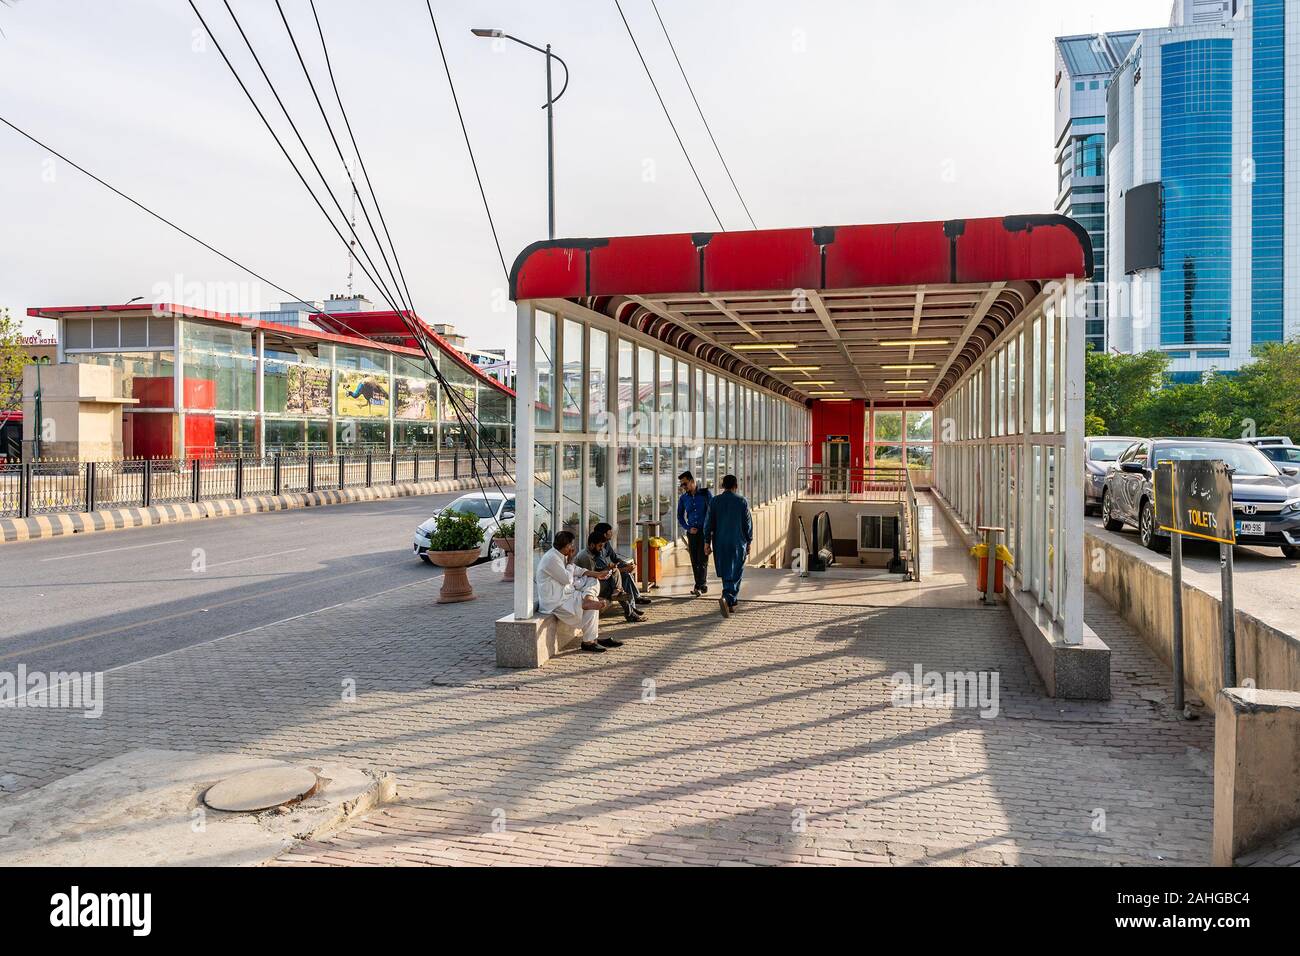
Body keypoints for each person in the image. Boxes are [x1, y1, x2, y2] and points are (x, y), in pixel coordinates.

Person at [535, 530, 623, 653]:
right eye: (571, 545)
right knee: (593, 604)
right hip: (556, 600)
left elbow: (575, 569)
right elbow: (567, 578)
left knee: (593, 581)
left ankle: (588, 601)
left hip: (565, 593)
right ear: (566, 546)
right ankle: (589, 641)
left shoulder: (560, 555)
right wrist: (571, 561)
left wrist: (597, 574)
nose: (573, 548)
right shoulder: (551, 558)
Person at [703, 473, 752, 618]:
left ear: (723, 486)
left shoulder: (714, 501)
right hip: (738, 542)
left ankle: (730, 601)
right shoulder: (742, 502)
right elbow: (747, 524)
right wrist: (749, 541)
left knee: (726, 572)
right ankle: (728, 599)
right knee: (736, 572)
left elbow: (708, 524)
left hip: (720, 543)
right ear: (736, 486)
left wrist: (707, 542)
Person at [575, 527, 647, 623]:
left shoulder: (594, 553)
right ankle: (629, 611)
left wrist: (609, 568)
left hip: (596, 581)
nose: (601, 549)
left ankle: (624, 602)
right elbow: (590, 577)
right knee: (617, 588)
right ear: (592, 545)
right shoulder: (585, 557)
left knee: (617, 574)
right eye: (600, 546)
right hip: (587, 587)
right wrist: (606, 571)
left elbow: (607, 564)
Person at [676, 471, 713, 596]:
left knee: (702, 558)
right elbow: (680, 516)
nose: (684, 487)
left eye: (685, 484)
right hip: (692, 533)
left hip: (705, 532)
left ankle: (699, 585)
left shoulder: (705, 494)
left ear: (692, 481)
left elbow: (713, 511)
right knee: (694, 559)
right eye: (682, 485)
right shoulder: (683, 498)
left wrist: (711, 530)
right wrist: (687, 527)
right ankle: (701, 585)